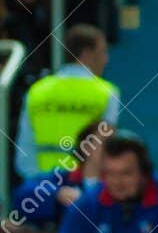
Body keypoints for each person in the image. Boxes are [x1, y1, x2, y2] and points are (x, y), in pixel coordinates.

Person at [15, 24, 119, 177]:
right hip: (82, 186)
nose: (106, 59)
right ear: (87, 53)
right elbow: (104, 148)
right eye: (103, 51)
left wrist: (38, 184)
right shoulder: (107, 92)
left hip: (40, 183)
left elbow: (24, 147)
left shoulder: (37, 90)